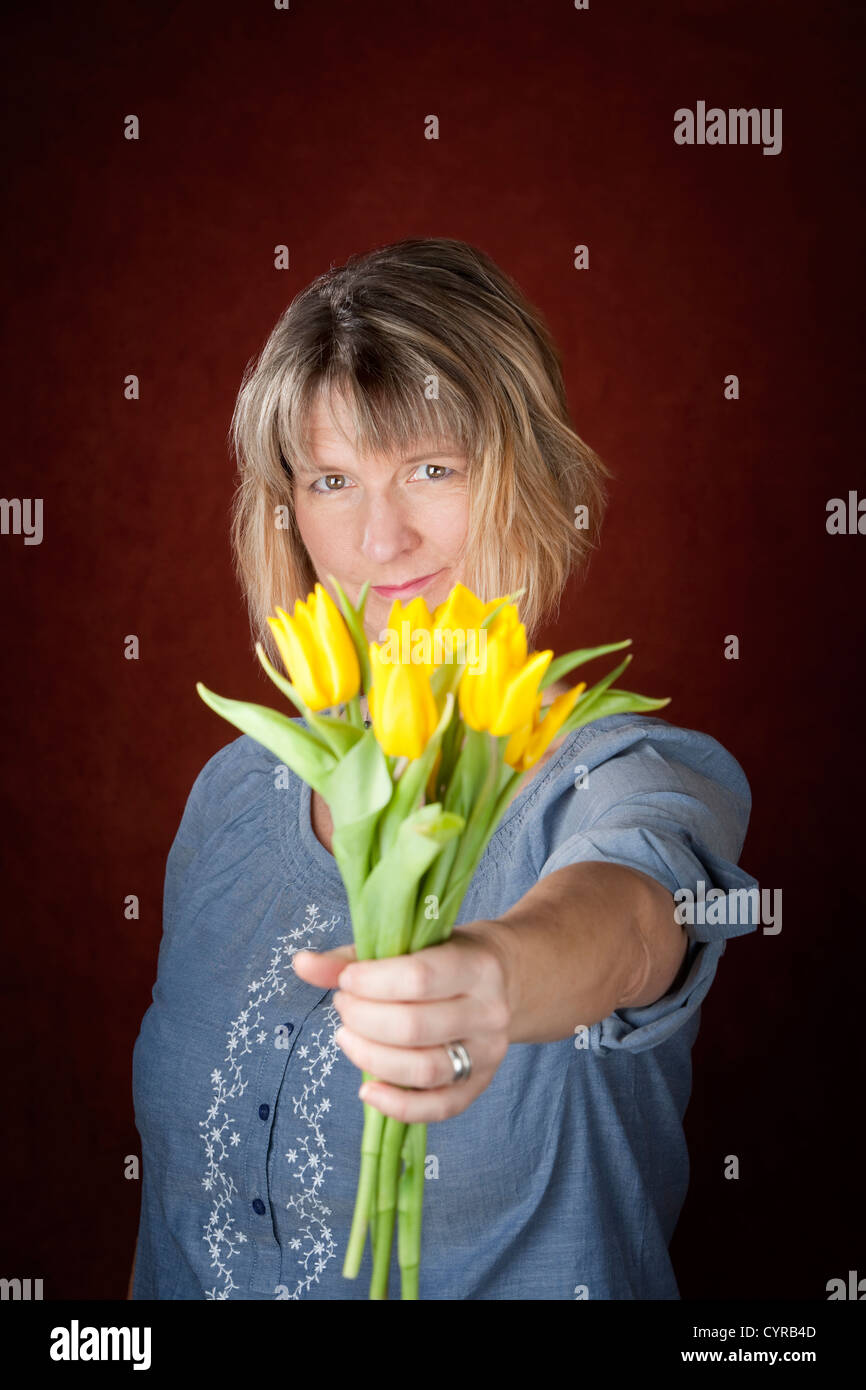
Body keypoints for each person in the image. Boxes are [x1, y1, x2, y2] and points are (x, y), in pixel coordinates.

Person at [130, 237, 759, 1300]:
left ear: (531, 478)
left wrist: (496, 977)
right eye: (333, 479)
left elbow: (634, 919)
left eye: (431, 468)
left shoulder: (623, 775)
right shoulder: (229, 797)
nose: (383, 536)